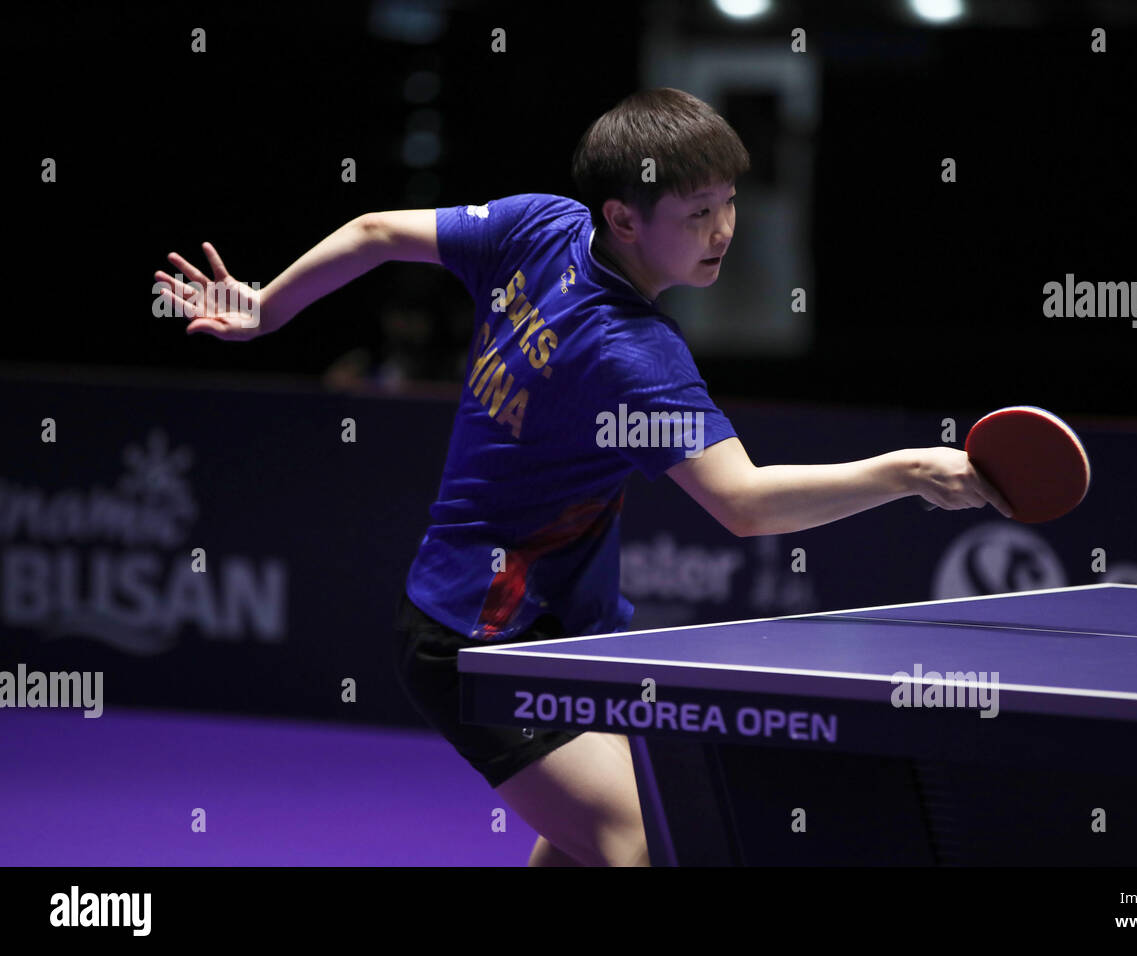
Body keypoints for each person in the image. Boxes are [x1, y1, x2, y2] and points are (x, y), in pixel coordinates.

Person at [154, 87, 1010, 867]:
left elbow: (377, 232)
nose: (722, 232)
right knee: (639, 845)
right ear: (625, 218)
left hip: (560, 633)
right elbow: (744, 505)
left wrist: (266, 310)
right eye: (698, 212)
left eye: (729, 204)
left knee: (586, 849)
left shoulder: (540, 225)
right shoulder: (635, 357)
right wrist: (903, 471)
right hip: (477, 640)